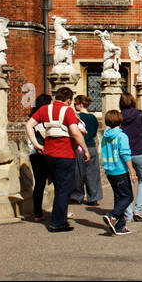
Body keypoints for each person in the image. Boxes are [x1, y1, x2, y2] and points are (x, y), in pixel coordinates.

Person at [26, 86, 89, 232]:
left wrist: (36, 145)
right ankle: (57, 222)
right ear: (68, 100)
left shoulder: (44, 110)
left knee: (59, 188)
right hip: (65, 154)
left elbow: (29, 125)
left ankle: (58, 218)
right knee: (63, 189)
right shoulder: (68, 110)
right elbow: (73, 131)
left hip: (49, 153)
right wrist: (85, 150)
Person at [118, 92, 142, 224]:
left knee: (127, 183)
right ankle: (138, 210)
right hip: (140, 151)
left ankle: (128, 214)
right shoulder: (140, 114)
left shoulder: (119, 116)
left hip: (124, 153)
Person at [100, 109, 134, 235]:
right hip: (120, 170)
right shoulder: (121, 136)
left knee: (118, 197)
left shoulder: (105, 135)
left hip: (109, 170)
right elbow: (125, 154)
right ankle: (112, 215)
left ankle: (120, 226)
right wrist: (132, 171)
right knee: (128, 196)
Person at [26, 93, 53, 221]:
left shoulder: (32, 118)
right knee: (59, 183)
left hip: (34, 154)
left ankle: (37, 213)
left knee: (39, 184)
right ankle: (59, 211)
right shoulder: (42, 120)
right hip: (43, 153)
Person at [73, 95, 103, 205]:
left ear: (80, 104)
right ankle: (94, 197)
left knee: (78, 173)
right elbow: (94, 133)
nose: (74, 105)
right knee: (93, 174)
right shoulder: (93, 118)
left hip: (79, 148)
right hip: (91, 146)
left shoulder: (77, 117)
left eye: (75, 103)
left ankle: (77, 196)